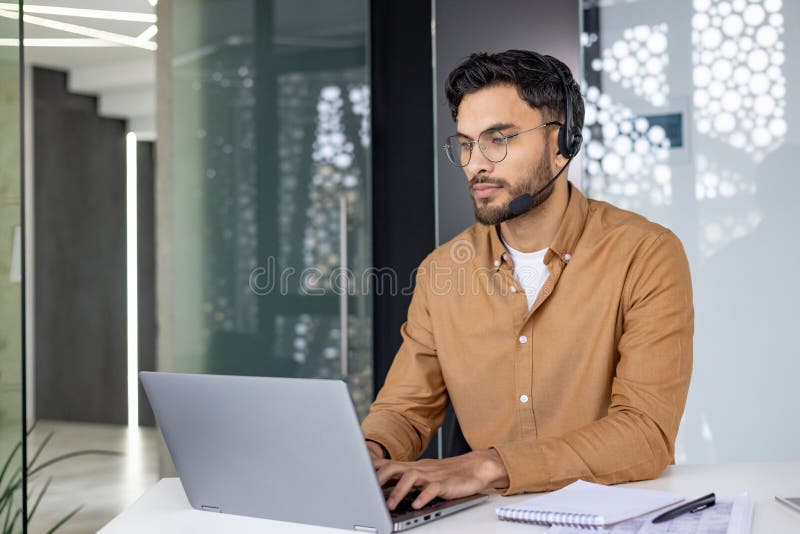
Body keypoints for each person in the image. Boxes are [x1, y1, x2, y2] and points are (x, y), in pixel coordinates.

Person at [360, 50, 693, 512]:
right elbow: (404, 410)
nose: (476, 163)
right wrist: (365, 458)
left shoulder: (645, 253)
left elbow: (646, 433)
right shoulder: (442, 271)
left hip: (612, 515)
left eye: (499, 139)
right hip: (487, 520)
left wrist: (489, 466)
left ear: (562, 142)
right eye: (465, 143)